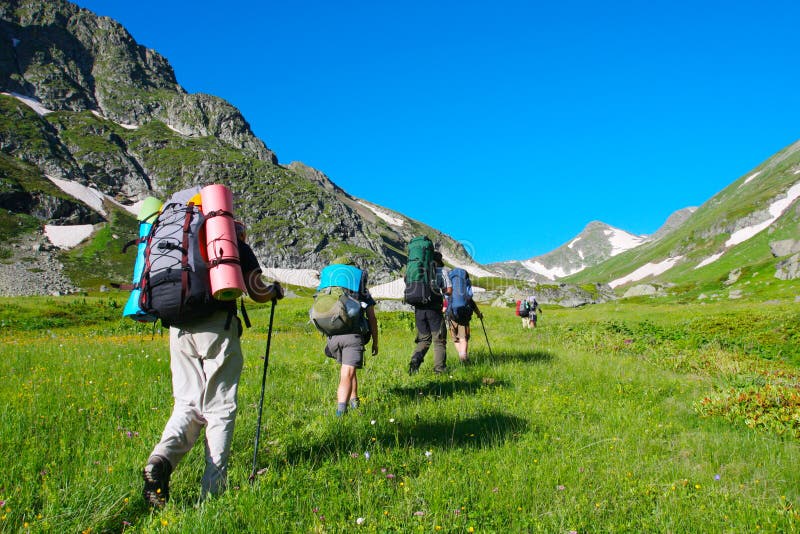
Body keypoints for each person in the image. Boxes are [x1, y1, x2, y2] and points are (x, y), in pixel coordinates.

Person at [142, 220, 284, 508]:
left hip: (177, 328)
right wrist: (274, 292)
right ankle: (213, 489)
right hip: (216, 326)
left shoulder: (181, 241)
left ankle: (160, 459)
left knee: (187, 403)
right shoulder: (232, 244)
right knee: (220, 406)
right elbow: (257, 290)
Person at [317, 259, 379, 417]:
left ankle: (355, 402)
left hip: (332, 338)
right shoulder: (360, 288)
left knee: (349, 371)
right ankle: (340, 415)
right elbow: (372, 318)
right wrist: (375, 342)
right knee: (347, 373)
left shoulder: (330, 289)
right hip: (352, 336)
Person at [408, 251, 451, 374]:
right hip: (434, 310)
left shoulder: (417, 270)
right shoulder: (441, 271)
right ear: (438, 261)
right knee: (439, 340)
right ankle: (439, 369)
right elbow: (449, 290)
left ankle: (415, 360)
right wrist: (441, 290)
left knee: (424, 339)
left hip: (419, 309)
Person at [447, 272, 483, 363]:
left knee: (456, 339)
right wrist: (479, 314)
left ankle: (462, 357)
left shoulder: (450, 288)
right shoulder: (465, 291)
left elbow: (445, 303)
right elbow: (471, 302)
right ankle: (463, 359)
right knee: (463, 338)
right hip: (464, 315)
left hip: (451, 316)